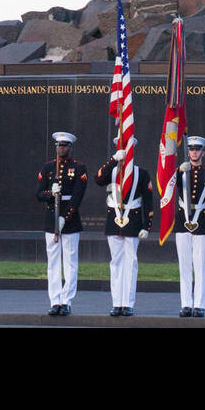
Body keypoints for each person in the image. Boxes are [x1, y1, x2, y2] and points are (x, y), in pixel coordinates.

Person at [95, 137, 153, 316]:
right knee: (116, 263)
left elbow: (148, 201)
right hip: (114, 221)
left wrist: (146, 226)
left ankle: (128, 303)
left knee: (131, 262)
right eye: (121, 148)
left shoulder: (141, 173)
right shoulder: (111, 171)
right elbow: (98, 179)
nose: (124, 152)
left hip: (133, 222)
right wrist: (114, 159)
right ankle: (117, 303)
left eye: (126, 149)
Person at [36, 131, 87, 316]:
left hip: (70, 220)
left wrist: (65, 217)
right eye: (59, 145)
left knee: (70, 262)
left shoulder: (79, 168)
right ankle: (55, 300)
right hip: (51, 219)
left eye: (64, 145)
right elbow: (39, 194)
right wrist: (51, 193)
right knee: (53, 263)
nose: (61, 148)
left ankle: (67, 301)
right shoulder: (48, 167)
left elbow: (78, 196)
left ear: (70, 147)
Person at [175, 136, 205, 318]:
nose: (194, 152)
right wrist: (178, 171)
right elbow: (169, 187)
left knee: (200, 265)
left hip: (201, 222)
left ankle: (199, 304)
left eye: (197, 149)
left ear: (203, 152)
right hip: (182, 222)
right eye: (191, 149)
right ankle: (186, 304)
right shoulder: (181, 173)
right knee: (184, 265)